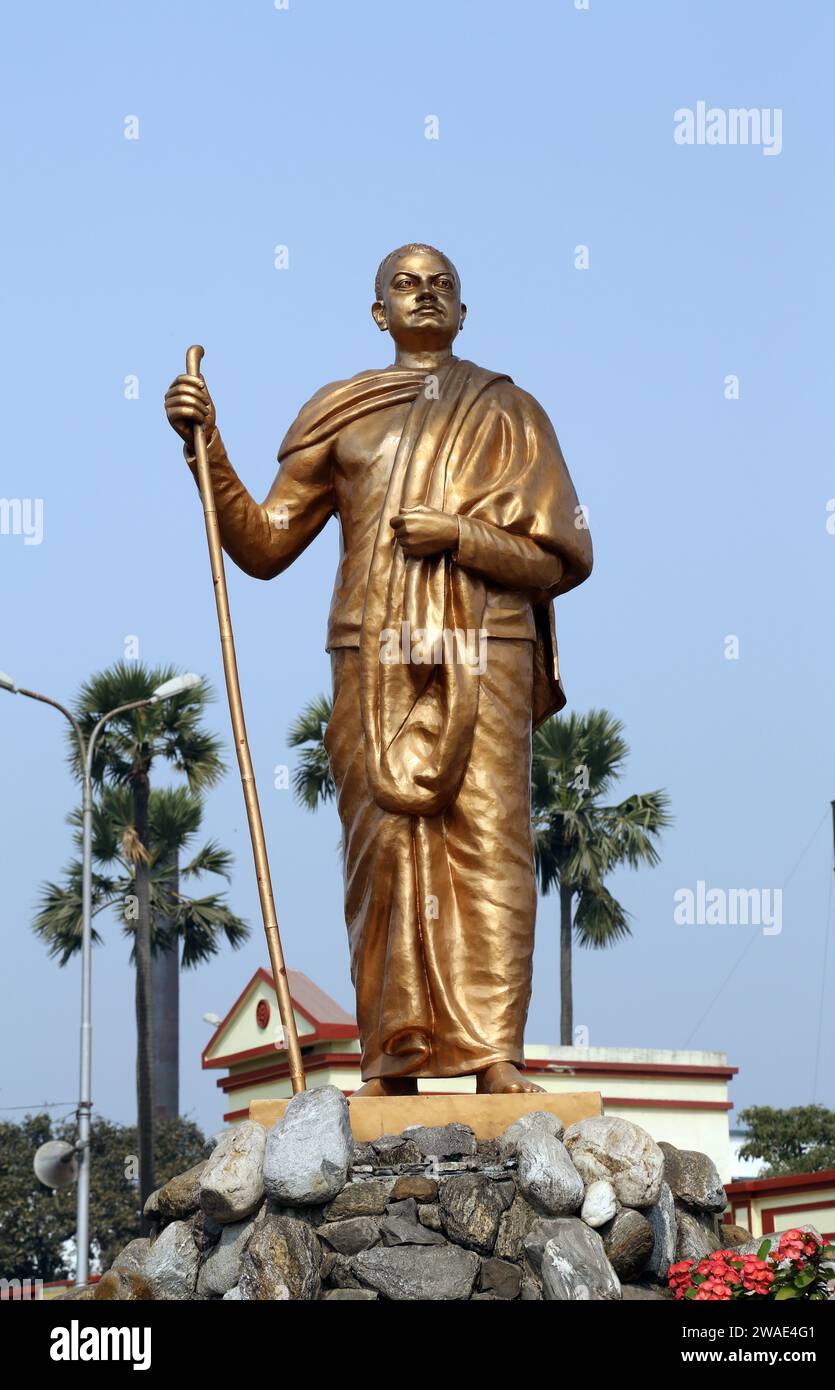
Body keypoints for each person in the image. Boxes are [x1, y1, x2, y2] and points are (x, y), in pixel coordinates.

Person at [165, 243, 592, 1095]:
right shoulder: (343, 413)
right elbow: (265, 544)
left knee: (491, 842)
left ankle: (492, 1055)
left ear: (464, 313)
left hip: (487, 642)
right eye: (406, 284)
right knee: (381, 849)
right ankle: (391, 1056)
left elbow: (563, 556)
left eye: (442, 286)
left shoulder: (511, 412)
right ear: (378, 311)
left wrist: (461, 537)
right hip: (372, 647)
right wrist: (206, 448)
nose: (425, 295)